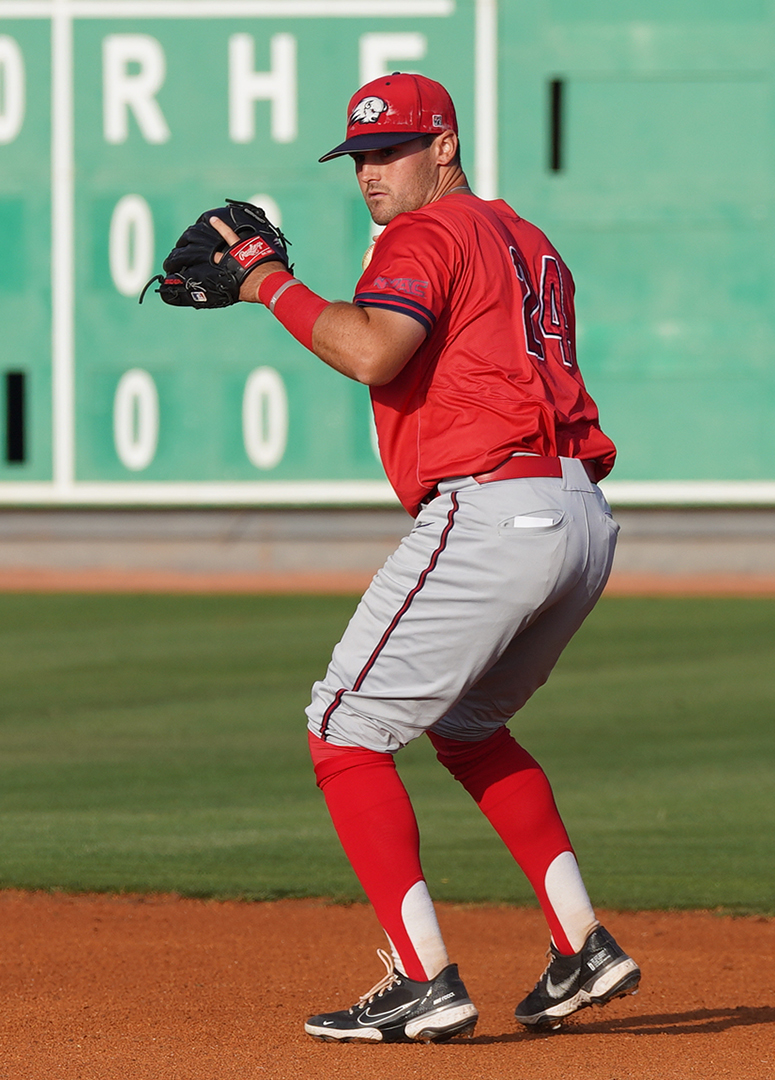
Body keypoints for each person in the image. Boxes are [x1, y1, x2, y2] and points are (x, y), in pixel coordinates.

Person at [205, 72, 639, 1044]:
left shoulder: (425, 234)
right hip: (580, 514)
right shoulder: (527, 237)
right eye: (361, 157)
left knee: (341, 730)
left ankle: (422, 978)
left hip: (496, 508)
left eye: (393, 150)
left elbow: (374, 351)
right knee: (470, 726)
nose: (373, 173)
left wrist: (267, 284)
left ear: (446, 143)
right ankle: (583, 945)